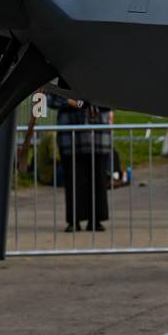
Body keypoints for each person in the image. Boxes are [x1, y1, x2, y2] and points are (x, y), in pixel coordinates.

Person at [48, 95, 111, 232]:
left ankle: (96, 219)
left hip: (98, 133)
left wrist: (93, 103)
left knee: (98, 178)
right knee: (73, 178)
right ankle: (73, 220)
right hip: (70, 134)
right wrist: (70, 102)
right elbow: (50, 99)